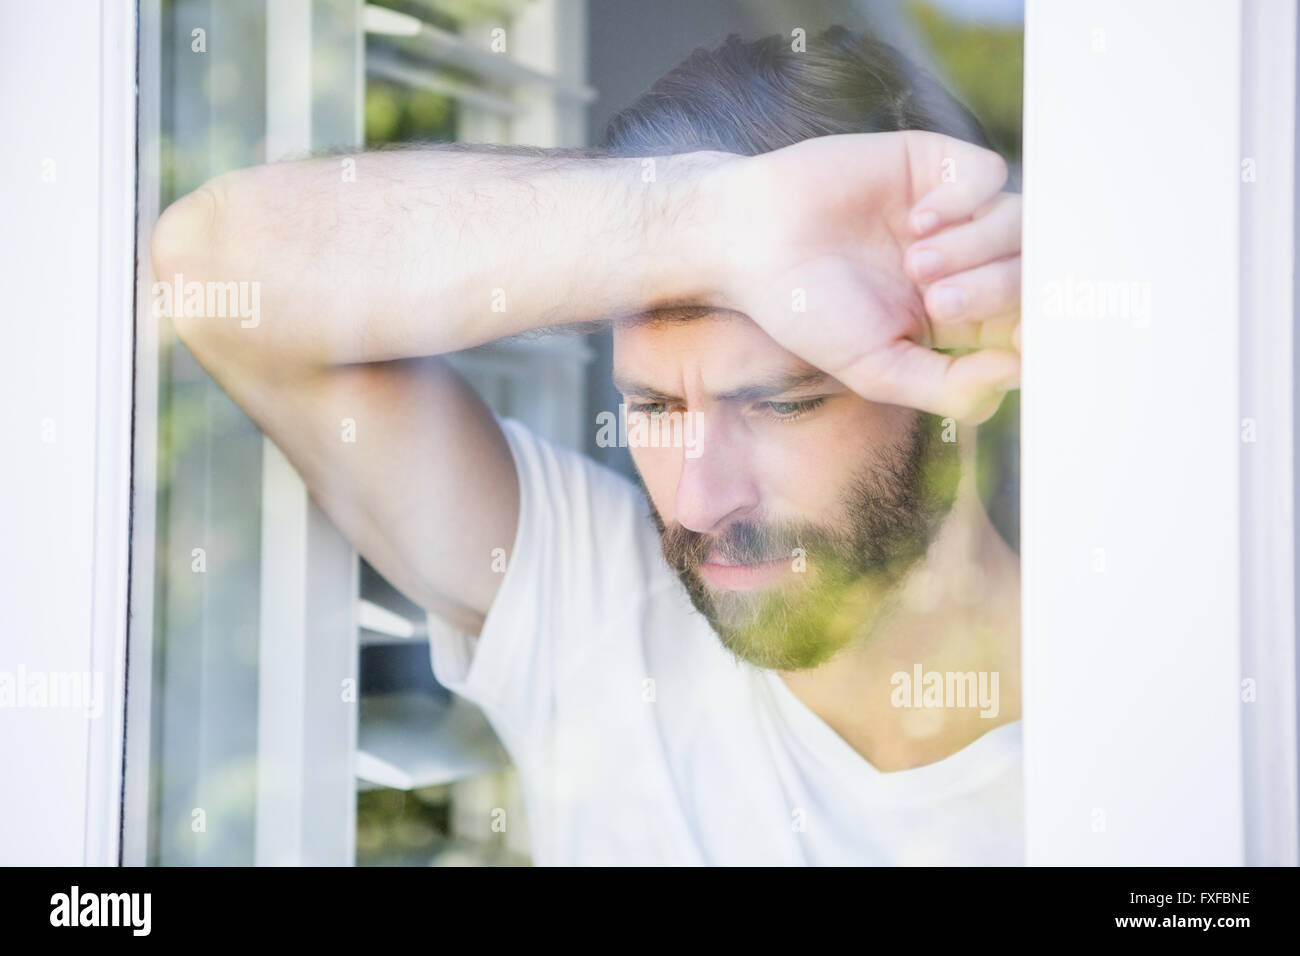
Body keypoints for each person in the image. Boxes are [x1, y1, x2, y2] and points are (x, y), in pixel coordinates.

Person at [150, 26, 1024, 865]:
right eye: (650, 406)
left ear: (961, 365)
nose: (696, 501)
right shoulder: (600, 606)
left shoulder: (1133, 741)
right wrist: (705, 223)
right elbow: (208, 262)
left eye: (781, 404)